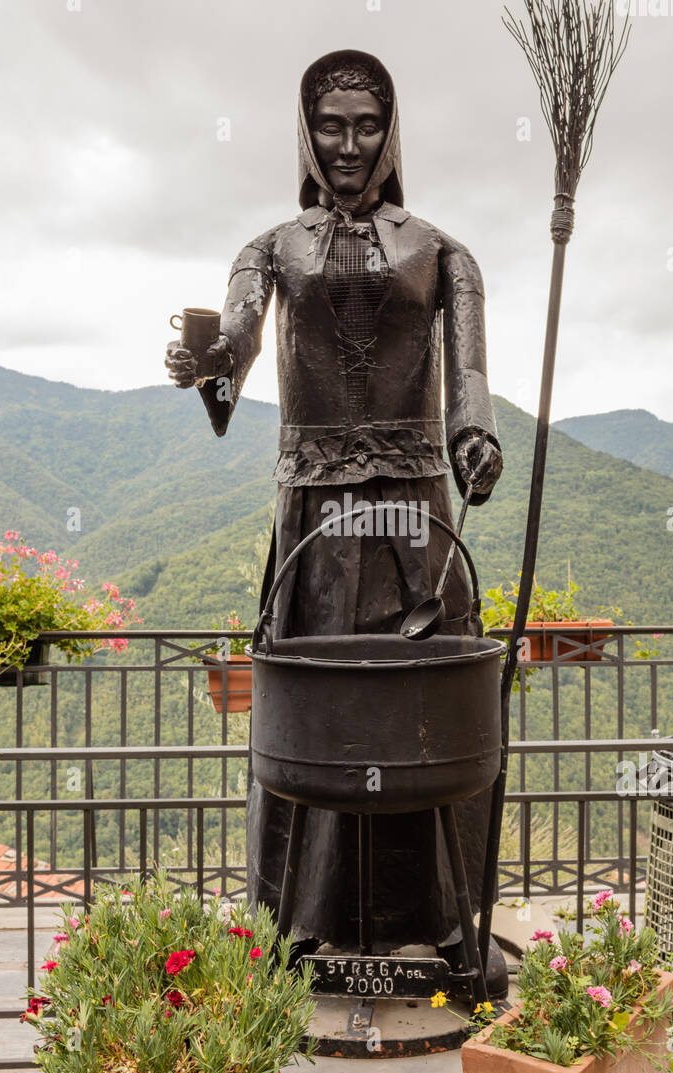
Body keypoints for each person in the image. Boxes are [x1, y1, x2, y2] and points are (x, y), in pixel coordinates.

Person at [166, 49, 506, 992]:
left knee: (421, 708)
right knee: (318, 707)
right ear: (305, 133)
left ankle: (439, 919)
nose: (348, 144)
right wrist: (209, 362)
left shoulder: (445, 253)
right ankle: (299, 921)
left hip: (413, 515)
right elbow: (235, 340)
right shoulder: (268, 250)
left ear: (391, 133)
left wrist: (474, 438)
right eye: (330, 125)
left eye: (365, 125)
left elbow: (469, 379)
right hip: (313, 505)